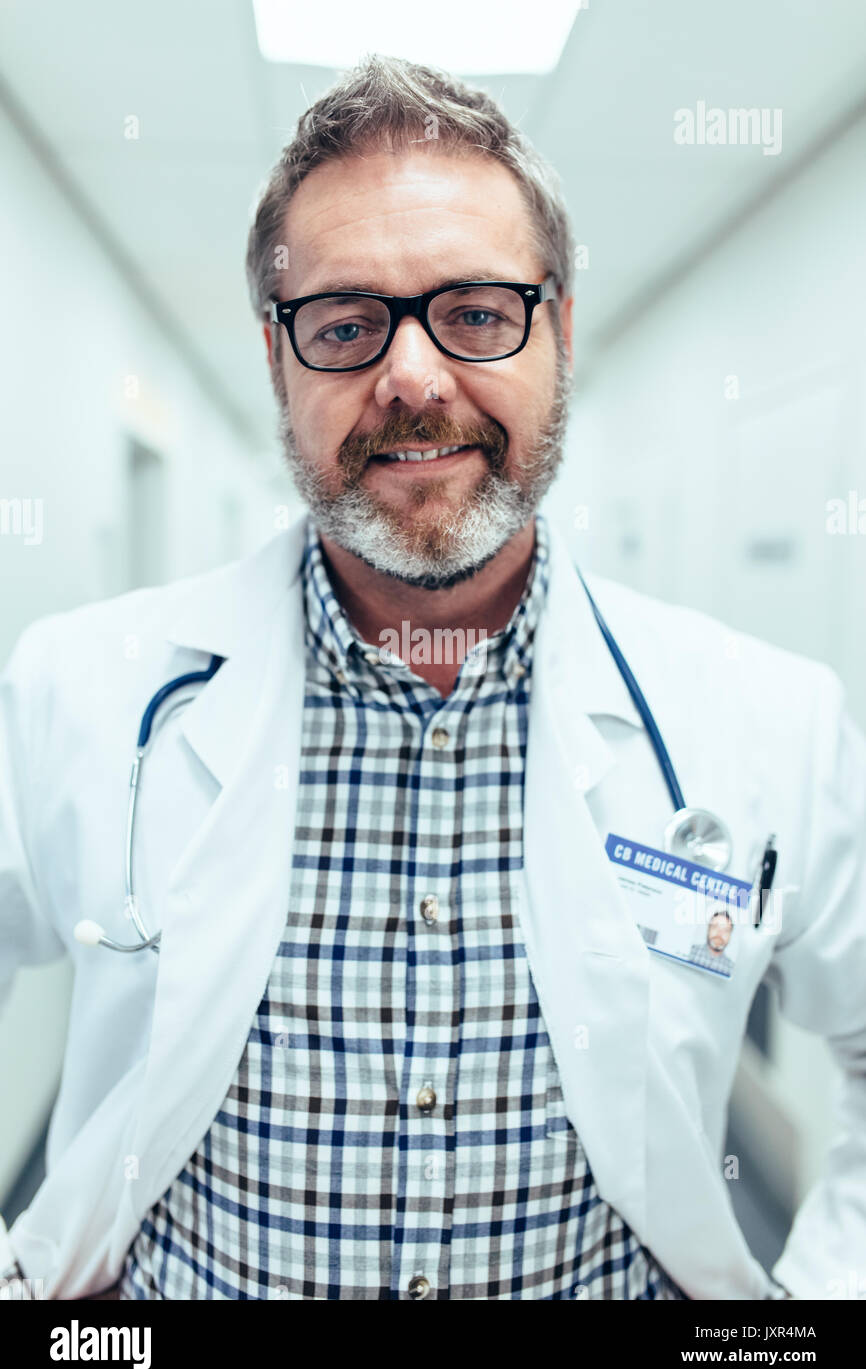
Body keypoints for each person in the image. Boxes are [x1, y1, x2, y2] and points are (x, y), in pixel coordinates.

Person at [2, 54, 865, 1302]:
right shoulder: (75, 691)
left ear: (558, 329)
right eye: (346, 324)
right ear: (277, 361)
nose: (411, 379)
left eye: (473, 312)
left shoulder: (769, 720)